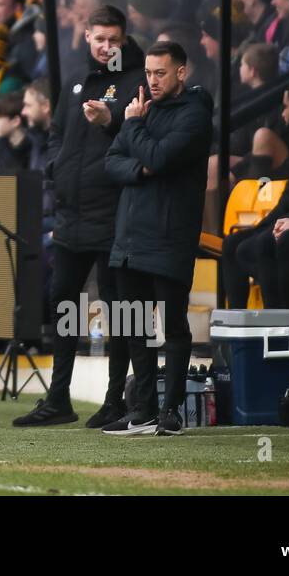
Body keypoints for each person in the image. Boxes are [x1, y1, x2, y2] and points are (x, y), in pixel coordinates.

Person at [15, 5, 144, 428]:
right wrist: (55, 166)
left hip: (113, 214)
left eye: (114, 40)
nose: (107, 47)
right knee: (63, 305)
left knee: (118, 311)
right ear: (86, 36)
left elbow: (139, 142)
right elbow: (56, 133)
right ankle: (58, 399)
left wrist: (110, 122)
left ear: (124, 40)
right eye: (100, 39)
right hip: (71, 214)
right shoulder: (73, 78)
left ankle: (114, 400)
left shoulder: (137, 81)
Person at [102, 41, 213, 436]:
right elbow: (111, 163)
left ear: (181, 72)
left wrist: (133, 127)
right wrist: (142, 168)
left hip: (169, 236)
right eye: (148, 73)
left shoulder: (194, 114)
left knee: (173, 327)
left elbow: (163, 157)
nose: (151, 80)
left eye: (160, 73)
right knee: (133, 326)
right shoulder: (140, 107)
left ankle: (172, 411)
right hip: (129, 237)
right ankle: (143, 410)